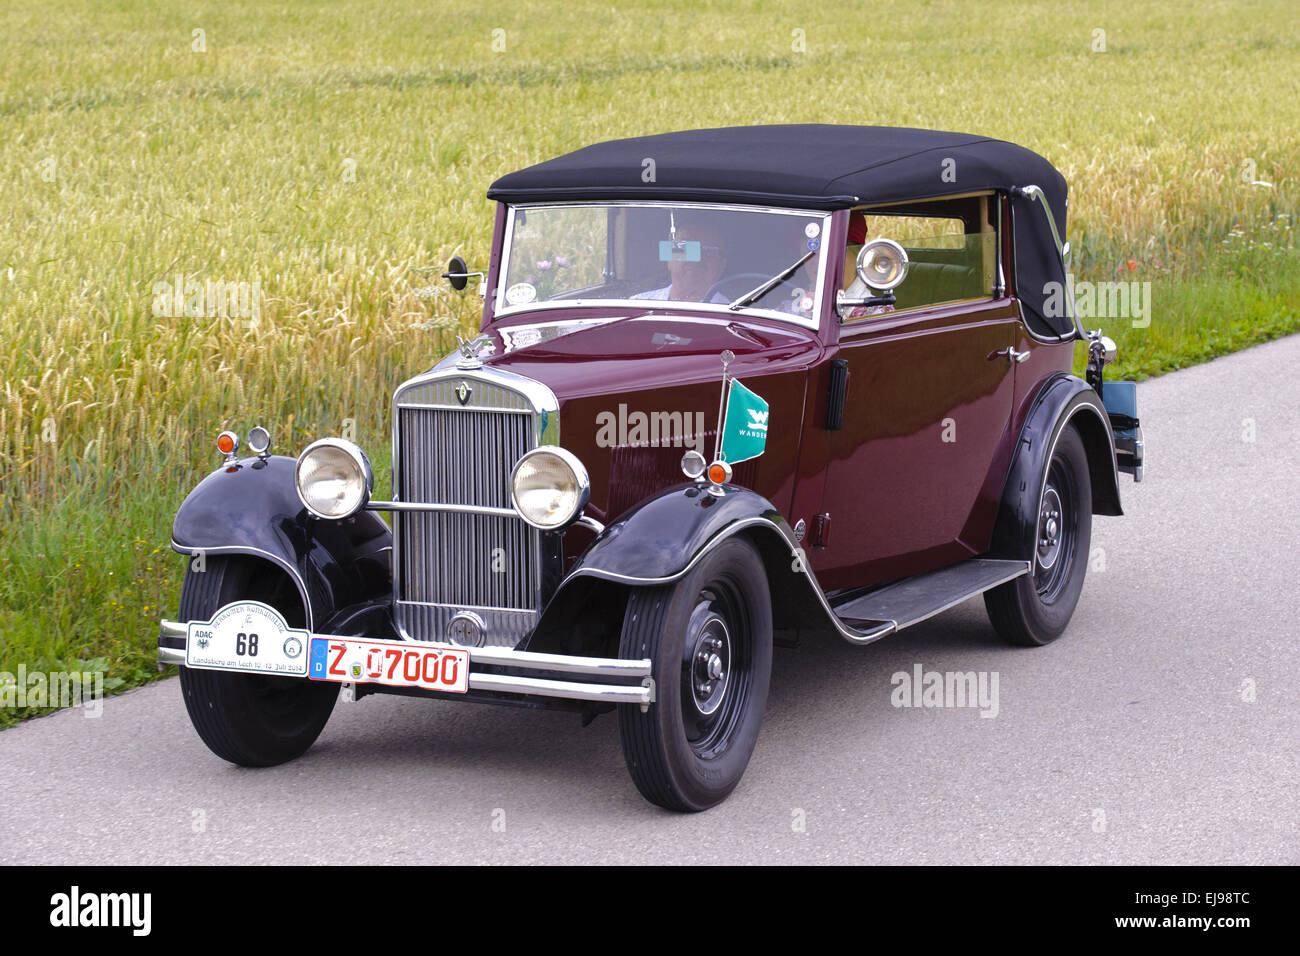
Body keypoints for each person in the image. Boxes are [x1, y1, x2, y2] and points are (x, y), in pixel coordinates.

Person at [632, 221, 729, 304]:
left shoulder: (731, 315)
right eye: (687, 248)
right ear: (668, 256)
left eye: (709, 251)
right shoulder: (637, 305)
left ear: (722, 265)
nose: (697, 258)